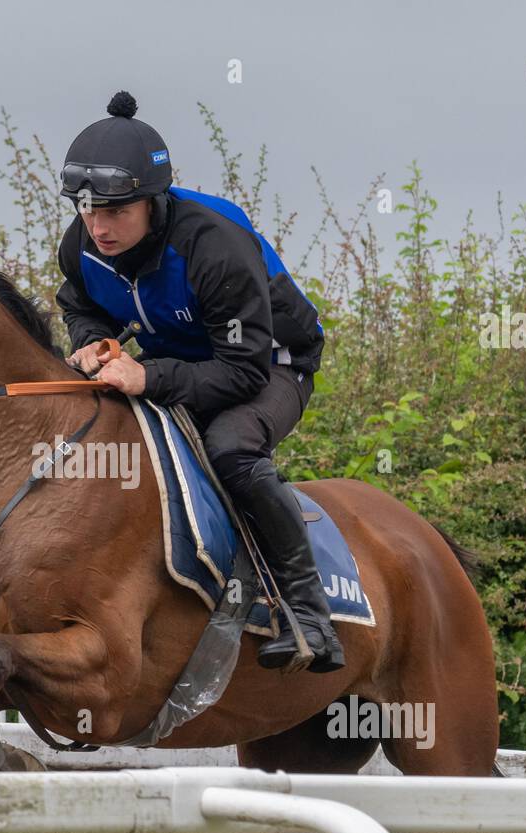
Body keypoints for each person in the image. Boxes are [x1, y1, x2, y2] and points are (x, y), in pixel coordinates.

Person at [54, 90, 345, 673]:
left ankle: (309, 614)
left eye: (114, 212)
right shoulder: (81, 245)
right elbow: (80, 304)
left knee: (230, 448)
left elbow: (240, 372)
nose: (97, 228)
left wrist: (148, 375)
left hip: (270, 364)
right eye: (87, 210)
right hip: (185, 362)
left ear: (152, 201)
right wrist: (90, 340)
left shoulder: (213, 248)